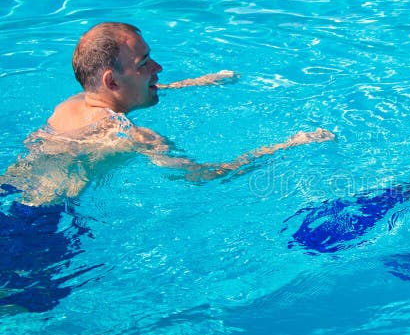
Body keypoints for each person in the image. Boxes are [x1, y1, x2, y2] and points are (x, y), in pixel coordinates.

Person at [2, 22, 334, 206]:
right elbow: (206, 176)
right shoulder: (128, 134)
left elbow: (137, 91)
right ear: (112, 81)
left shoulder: (71, 104)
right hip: (34, 223)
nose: (158, 69)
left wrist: (201, 82)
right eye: (144, 63)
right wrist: (290, 144)